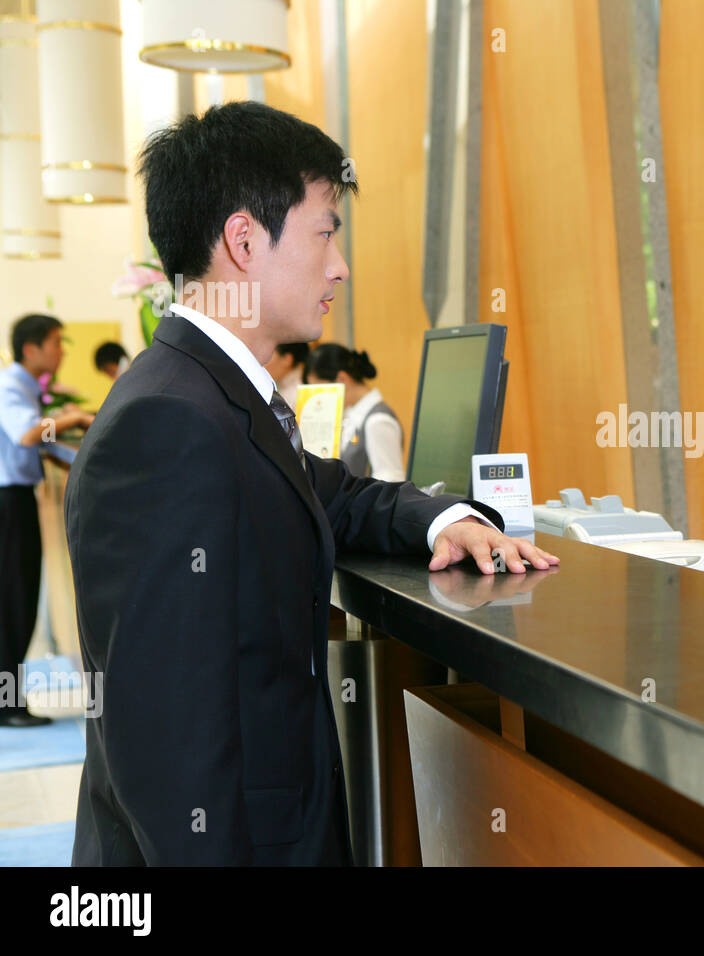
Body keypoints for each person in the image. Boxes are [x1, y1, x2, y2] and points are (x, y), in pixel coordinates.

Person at [64, 101, 558, 866]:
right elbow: (164, 737)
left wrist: (444, 520)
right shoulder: (169, 422)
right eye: (325, 232)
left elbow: (336, 494)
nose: (340, 265)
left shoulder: (215, 393)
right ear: (243, 241)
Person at [0, 314, 94, 727]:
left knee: (18, 600)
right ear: (31, 348)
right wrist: (75, 417)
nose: (61, 352)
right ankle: (7, 706)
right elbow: (26, 434)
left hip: (16, 500)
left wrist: (84, 457)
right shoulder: (10, 385)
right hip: (8, 502)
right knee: (12, 602)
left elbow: (43, 444)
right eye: (56, 343)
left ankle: (10, 702)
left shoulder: (25, 387)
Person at [305, 343, 404, 482]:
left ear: (342, 379)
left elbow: (391, 478)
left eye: (320, 390)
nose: (319, 398)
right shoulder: (351, 414)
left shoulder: (377, 419)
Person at [265, 340, 307, 411]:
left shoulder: (297, 394)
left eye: (269, 355)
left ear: (287, 359)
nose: (263, 363)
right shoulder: (280, 387)